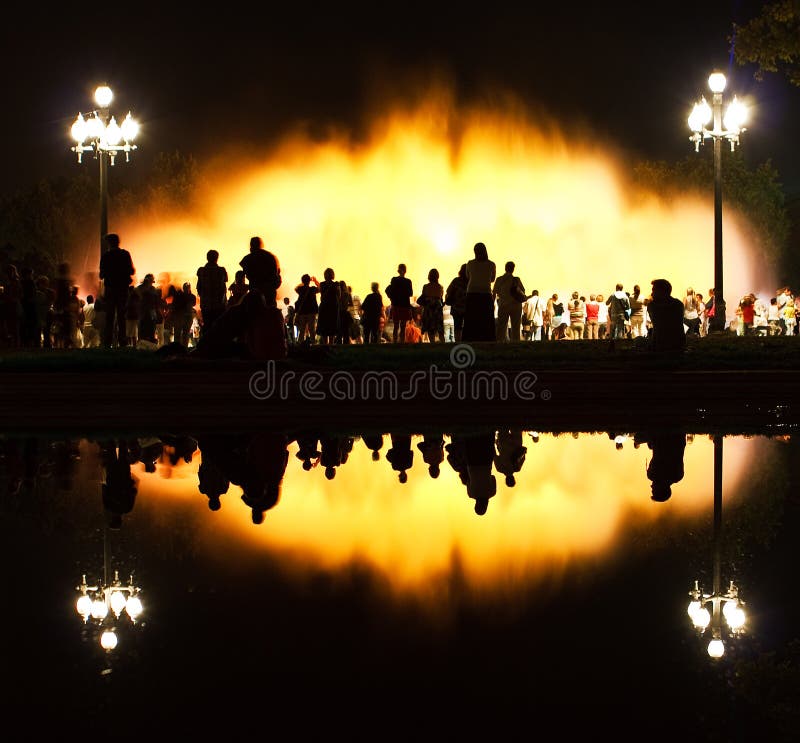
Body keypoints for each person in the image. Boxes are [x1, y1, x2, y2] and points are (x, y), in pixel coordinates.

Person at [98, 233, 135, 348]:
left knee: (109, 316)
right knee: (121, 316)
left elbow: (101, 275)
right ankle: (122, 341)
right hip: (122, 289)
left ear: (109, 243)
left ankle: (108, 342)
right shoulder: (125, 254)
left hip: (110, 289)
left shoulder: (106, 256)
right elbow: (132, 271)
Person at [462, 242, 496, 342]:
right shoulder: (491, 264)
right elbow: (492, 279)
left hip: (472, 293)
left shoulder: (470, 263)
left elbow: (468, 276)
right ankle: (487, 338)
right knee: (486, 319)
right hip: (486, 293)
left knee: (471, 318)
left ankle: (470, 338)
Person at [646, 278, 686, 353]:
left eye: (654, 290)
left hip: (660, 347)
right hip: (678, 346)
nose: (652, 294)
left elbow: (659, 325)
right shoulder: (678, 304)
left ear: (661, 291)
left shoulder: (653, 306)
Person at [196, 249, 228, 338]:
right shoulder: (221, 270)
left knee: (207, 327)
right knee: (219, 328)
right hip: (219, 305)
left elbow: (199, 287)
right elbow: (224, 285)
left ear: (207, 258)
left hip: (206, 305)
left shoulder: (201, 271)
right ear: (217, 258)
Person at [239, 236, 281, 305]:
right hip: (269, 291)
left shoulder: (248, 258)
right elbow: (277, 273)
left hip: (255, 292)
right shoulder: (271, 256)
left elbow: (246, 273)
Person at [492, 261, 527, 342]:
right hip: (516, 305)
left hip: (503, 305)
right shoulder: (516, 280)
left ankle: (500, 343)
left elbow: (494, 293)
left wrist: (492, 305)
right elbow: (523, 291)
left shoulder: (499, 279)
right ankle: (515, 344)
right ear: (513, 269)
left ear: (505, 268)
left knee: (501, 327)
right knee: (516, 327)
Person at [387, 263, 414, 343]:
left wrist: (392, 298)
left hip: (396, 305)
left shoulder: (394, 280)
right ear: (405, 271)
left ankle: (395, 342)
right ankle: (402, 342)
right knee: (403, 326)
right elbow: (411, 293)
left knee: (396, 326)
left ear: (398, 270)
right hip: (404, 305)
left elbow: (388, 290)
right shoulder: (408, 281)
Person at [419, 268, 445, 343]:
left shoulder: (425, 287)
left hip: (429, 309)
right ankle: (444, 345)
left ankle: (432, 344)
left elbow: (423, 297)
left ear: (429, 276)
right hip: (437, 310)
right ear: (437, 277)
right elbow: (441, 299)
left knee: (431, 330)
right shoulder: (440, 287)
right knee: (440, 331)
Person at [316, 268, 341, 345]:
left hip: (324, 307)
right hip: (333, 308)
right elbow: (339, 296)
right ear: (332, 275)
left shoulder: (322, 284)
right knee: (332, 327)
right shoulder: (336, 284)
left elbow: (321, 293)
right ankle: (331, 345)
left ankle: (325, 346)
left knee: (324, 328)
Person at [444, 263, 468, 342]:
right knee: (467, 327)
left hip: (456, 307)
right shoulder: (471, 281)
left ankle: (458, 342)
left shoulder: (456, 280)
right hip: (468, 308)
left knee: (457, 327)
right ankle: (466, 342)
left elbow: (448, 291)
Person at [294, 274, 320, 343]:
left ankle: (300, 344)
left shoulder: (300, 289)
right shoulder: (313, 289)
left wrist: (303, 282)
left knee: (302, 330)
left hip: (302, 312)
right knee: (312, 330)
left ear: (302, 281)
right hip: (311, 312)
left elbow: (296, 288)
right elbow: (320, 288)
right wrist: (315, 281)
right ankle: (313, 343)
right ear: (309, 281)